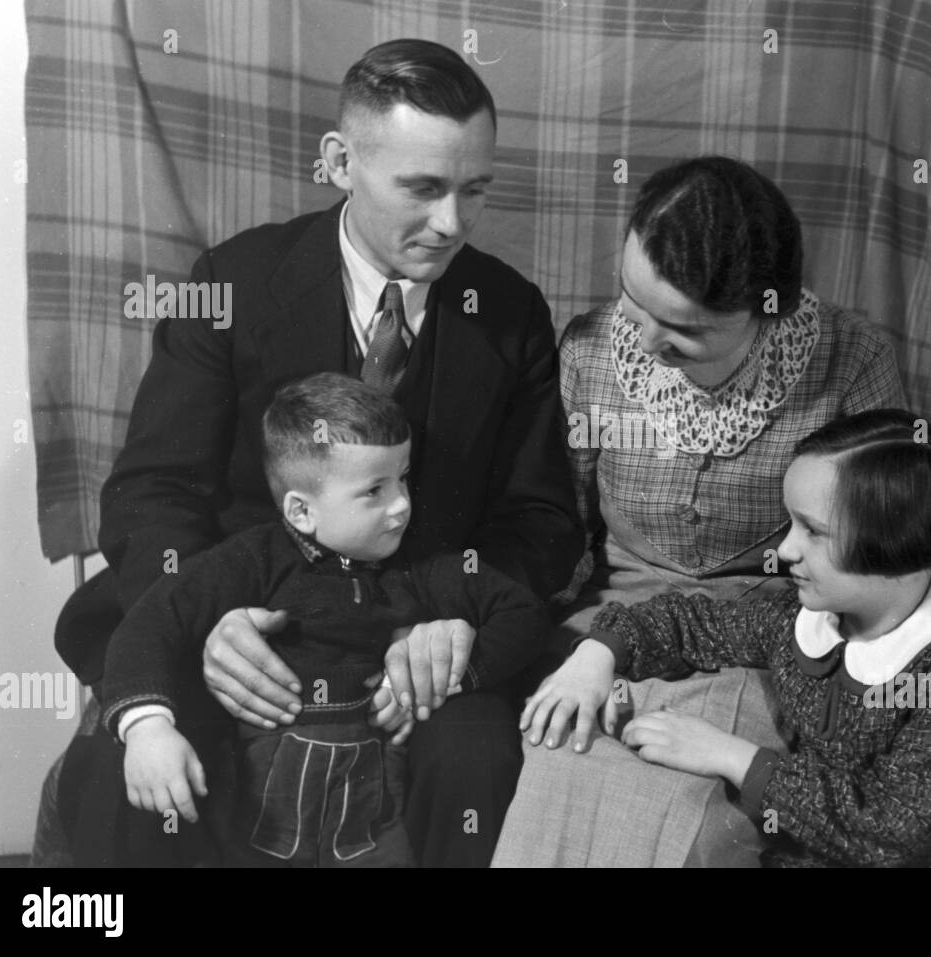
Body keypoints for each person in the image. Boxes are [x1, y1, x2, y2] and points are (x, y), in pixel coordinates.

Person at [53, 39, 580, 867]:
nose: (453, 222)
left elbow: (542, 517)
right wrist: (209, 620)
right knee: (114, 773)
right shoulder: (229, 281)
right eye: (423, 188)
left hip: (419, 639)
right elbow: (153, 489)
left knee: (477, 759)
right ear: (339, 162)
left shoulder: (510, 312)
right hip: (244, 620)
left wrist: (451, 619)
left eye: (474, 189)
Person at [492, 156, 905, 866]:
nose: (645, 343)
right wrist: (565, 649)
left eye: (681, 331)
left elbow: (876, 560)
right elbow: (561, 530)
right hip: (607, 624)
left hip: (769, 639)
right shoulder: (590, 353)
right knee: (561, 759)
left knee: (694, 821)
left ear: (765, 311)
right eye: (632, 301)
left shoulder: (852, 361)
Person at [521, 410, 931, 867]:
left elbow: (885, 830)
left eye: (813, 531)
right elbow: (692, 624)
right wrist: (598, 653)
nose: (786, 550)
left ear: (899, 543)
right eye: (791, 524)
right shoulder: (800, 619)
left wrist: (730, 755)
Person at [102, 374, 549, 867]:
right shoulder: (252, 560)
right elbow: (150, 624)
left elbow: (524, 614)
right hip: (260, 817)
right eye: (374, 490)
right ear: (301, 511)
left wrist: (449, 672)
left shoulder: (422, 569)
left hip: (373, 823)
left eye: (402, 477)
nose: (401, 504)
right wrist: (147, 730)